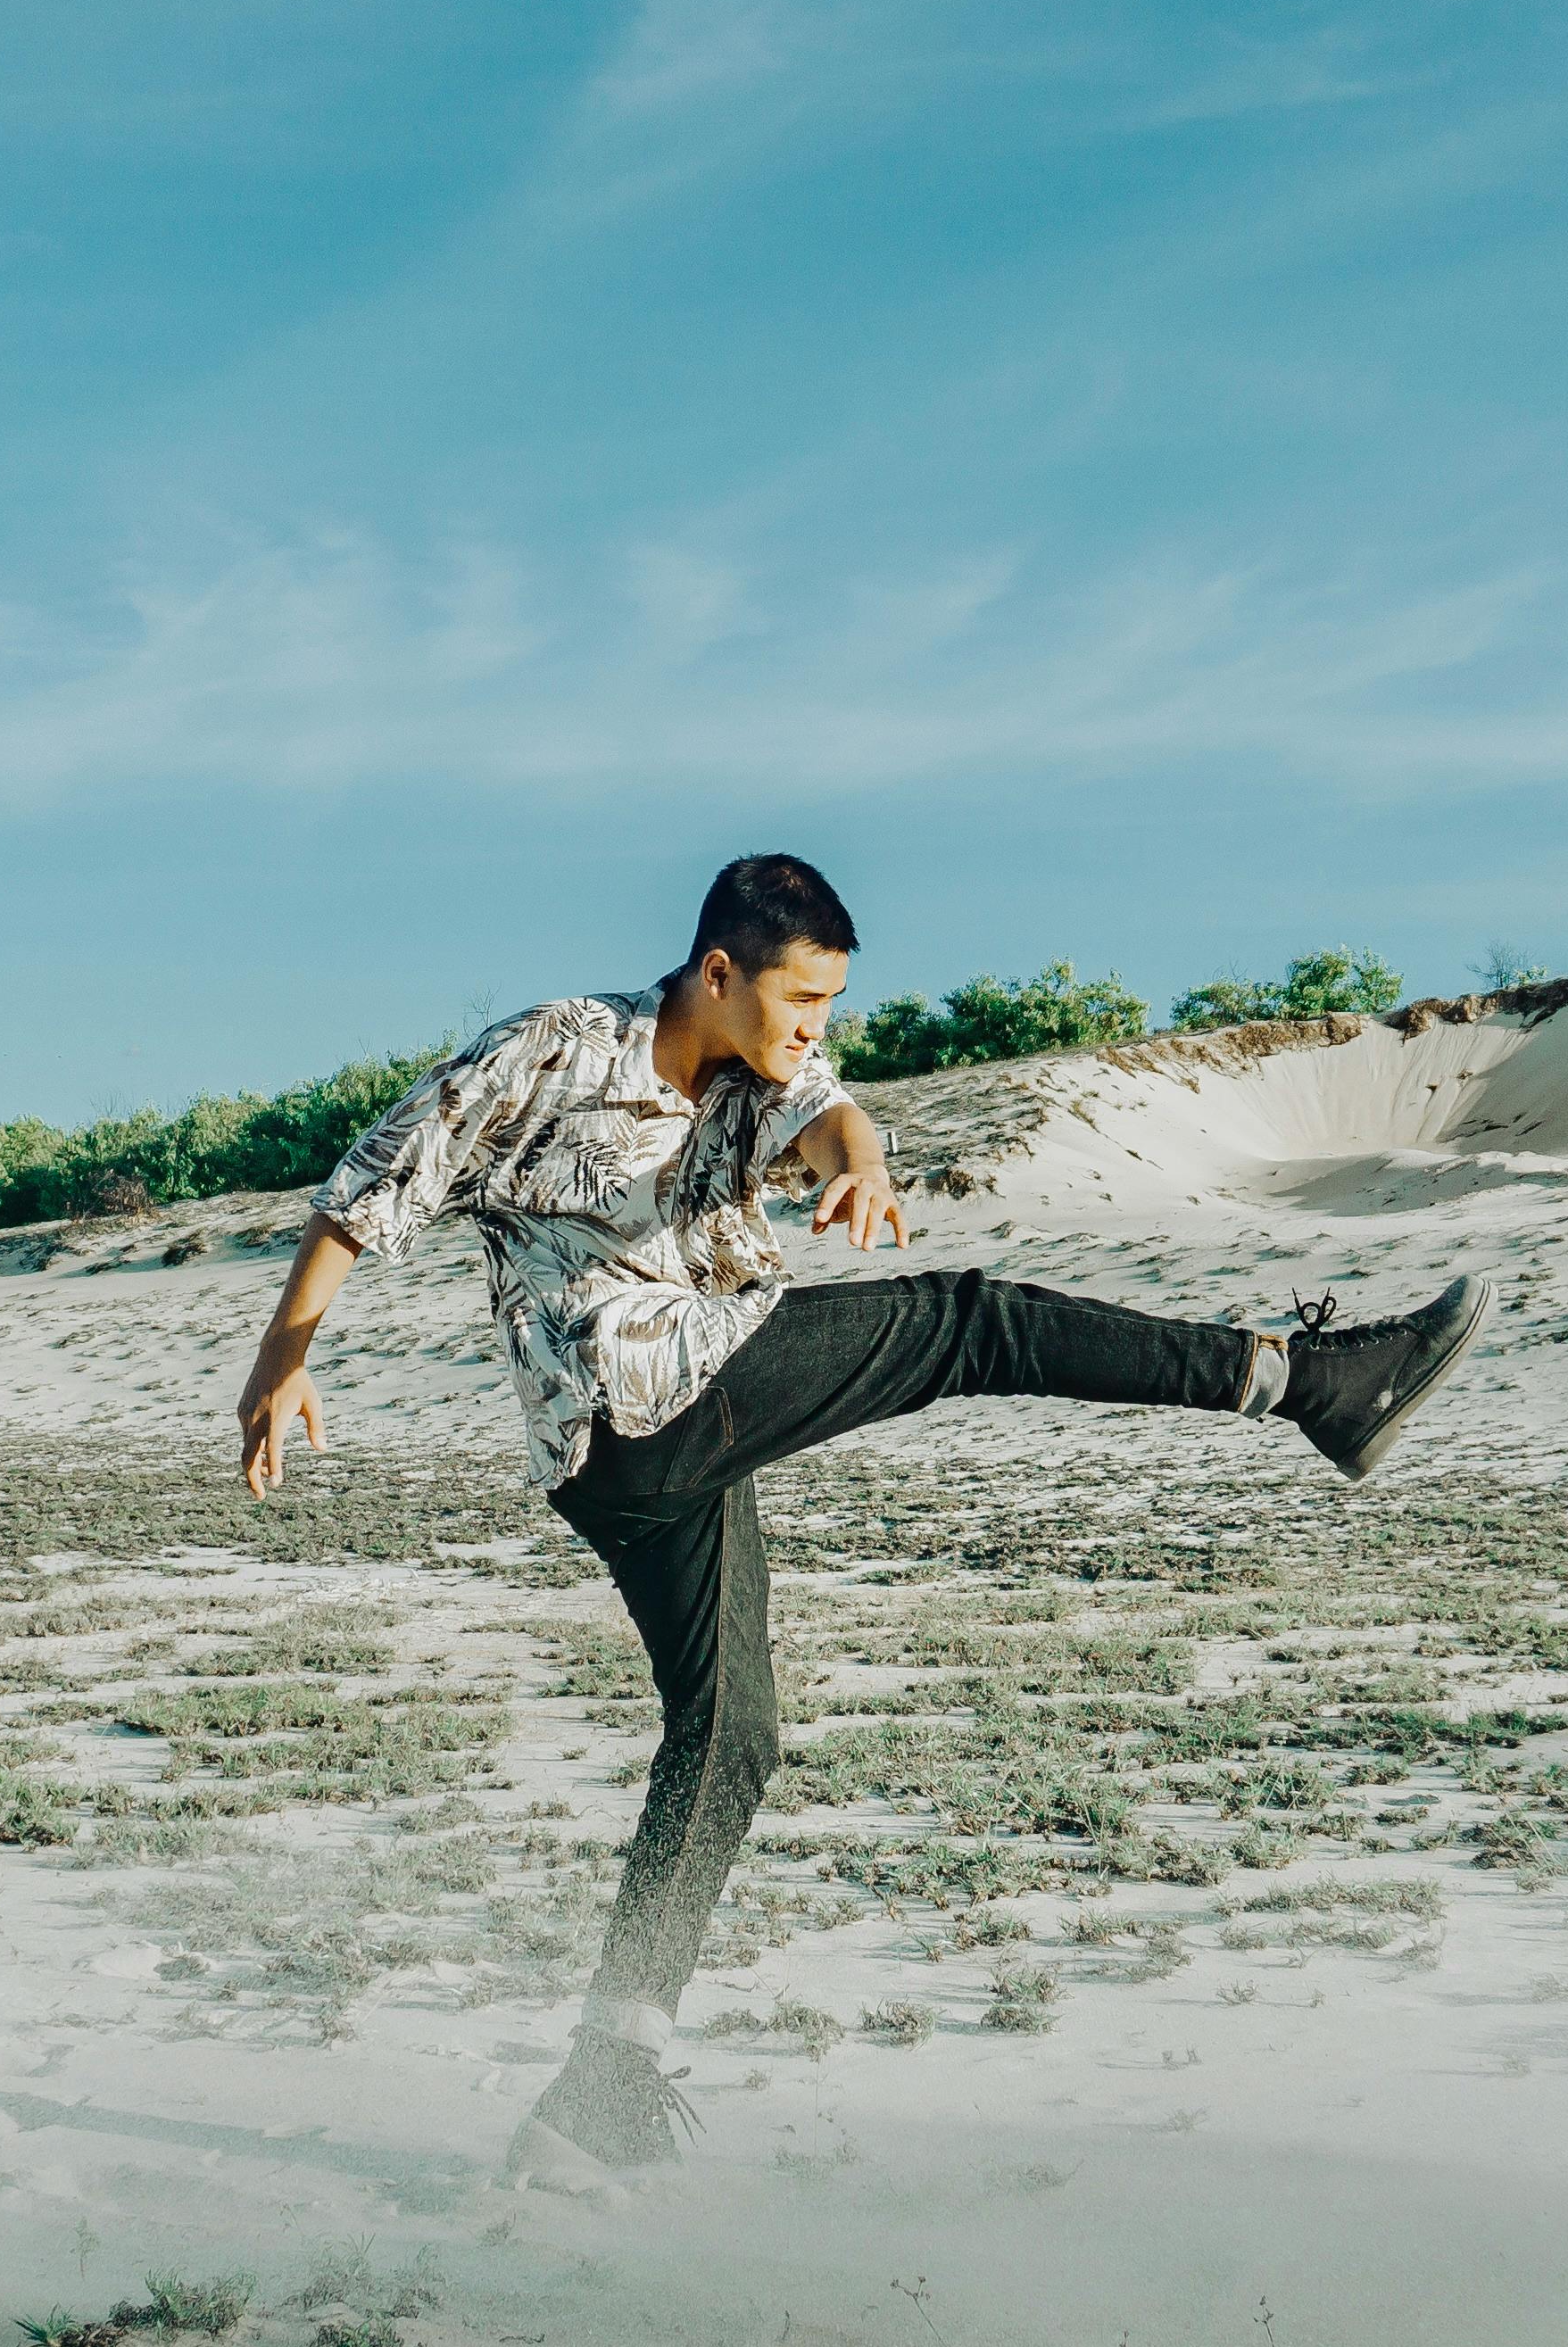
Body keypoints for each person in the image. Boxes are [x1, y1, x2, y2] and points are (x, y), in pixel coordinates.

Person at [231, 851, 1491, 2190]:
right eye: (798, 1000)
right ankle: (1304, 1382)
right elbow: (377, 1182)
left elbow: (835, 1117)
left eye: (828, 1005)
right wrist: (282, 1357)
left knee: (730, 1738)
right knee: (969, 1322)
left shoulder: (765, 1066)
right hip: (632, 1394)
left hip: (655, 1448)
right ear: (718, 971)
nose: (810, 1028)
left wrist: (865, 1167)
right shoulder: (556, 1046)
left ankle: (598, 2092)